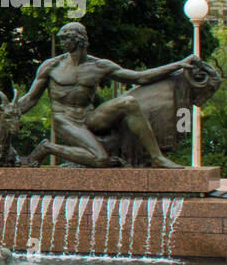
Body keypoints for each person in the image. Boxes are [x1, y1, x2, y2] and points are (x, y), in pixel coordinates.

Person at [17, 21, 202, 168]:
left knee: (129, 102)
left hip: (89, 117)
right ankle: (47, 148)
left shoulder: (98, 65)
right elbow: (31, 98)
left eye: (66, 38)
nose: (62, 42)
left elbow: (140, 77)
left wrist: (178, 65)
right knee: (101, 158)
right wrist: (9, 111)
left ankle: (157, 157)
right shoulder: (51, 66)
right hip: (64, 120)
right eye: (61, 38)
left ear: (78, 39)